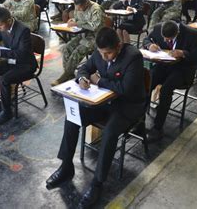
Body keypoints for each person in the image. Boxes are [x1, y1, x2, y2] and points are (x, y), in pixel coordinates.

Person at [46, 27, 146, 208]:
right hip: (103, 102)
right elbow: (85, 68)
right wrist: (83, 78)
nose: (105, 57)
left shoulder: (133, 57)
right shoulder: (100, 52)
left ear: (119, 45)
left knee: (109, 132)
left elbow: (126, 88)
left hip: (127, 106)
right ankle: (66, 166)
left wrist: (98, 81)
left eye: (108, 53)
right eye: (101, 53)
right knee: (72, 117)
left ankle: (97, 183)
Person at [0, 7, 37, 125]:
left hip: (25, 64)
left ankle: (7, 111)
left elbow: (22, 54)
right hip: (11, 60)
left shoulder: (23, 30)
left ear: (9, 21)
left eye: (0, 25)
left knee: (4, 80)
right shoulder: (2, 26)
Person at [143, 20, 197, 141]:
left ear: (178, 32)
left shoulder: (191, 34)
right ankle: (138, 120)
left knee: (166, 90)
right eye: (164, 38)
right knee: (147, 82)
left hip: (182, 69)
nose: (166, 41)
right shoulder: (159, 28)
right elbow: (146, 40)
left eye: (169, 39)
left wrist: (183, 53)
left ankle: (158, 128)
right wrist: (149, 45)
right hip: (163, 65)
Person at [51, 0, 104, 86]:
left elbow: (95, 27)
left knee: (77, 51)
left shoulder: (96, 9)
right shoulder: (78, 6)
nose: (78, 9)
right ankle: (69, 74)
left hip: (96, 37)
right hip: (82, 34)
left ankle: (64, 76)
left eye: (80, 7)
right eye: (77, 7)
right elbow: (77, 18)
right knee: (66, 48)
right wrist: (73, 20)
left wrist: (77, 23)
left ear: (86, 3)